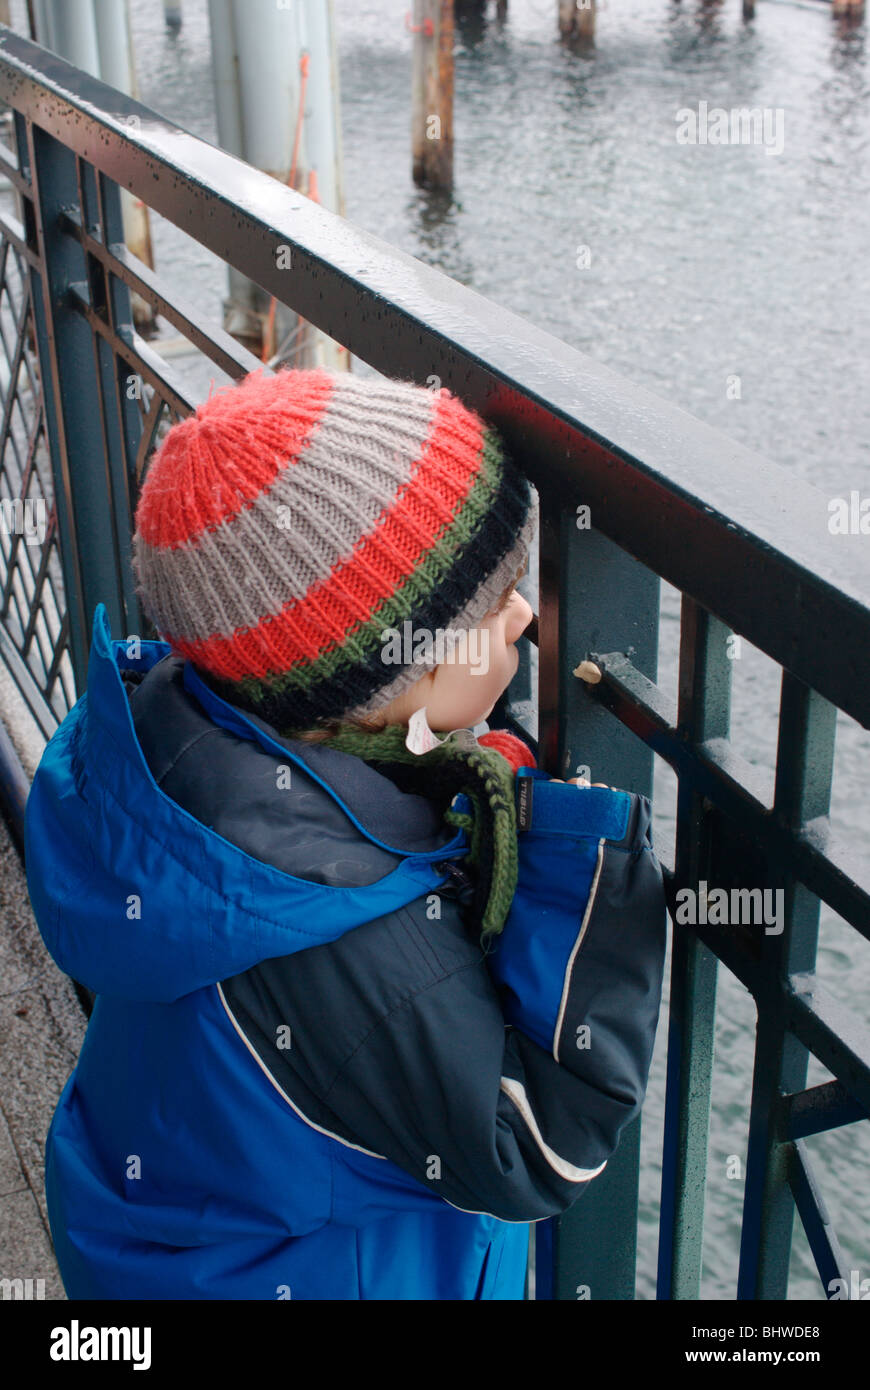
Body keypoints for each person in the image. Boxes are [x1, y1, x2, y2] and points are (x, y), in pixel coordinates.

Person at [24, 367, 667, 1300]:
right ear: (383, 688)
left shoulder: (167, 770)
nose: (526, 618)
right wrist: (592, 881)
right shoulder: (345, 926)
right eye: (492, 614)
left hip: (176, 1244)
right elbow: (534, 1148)